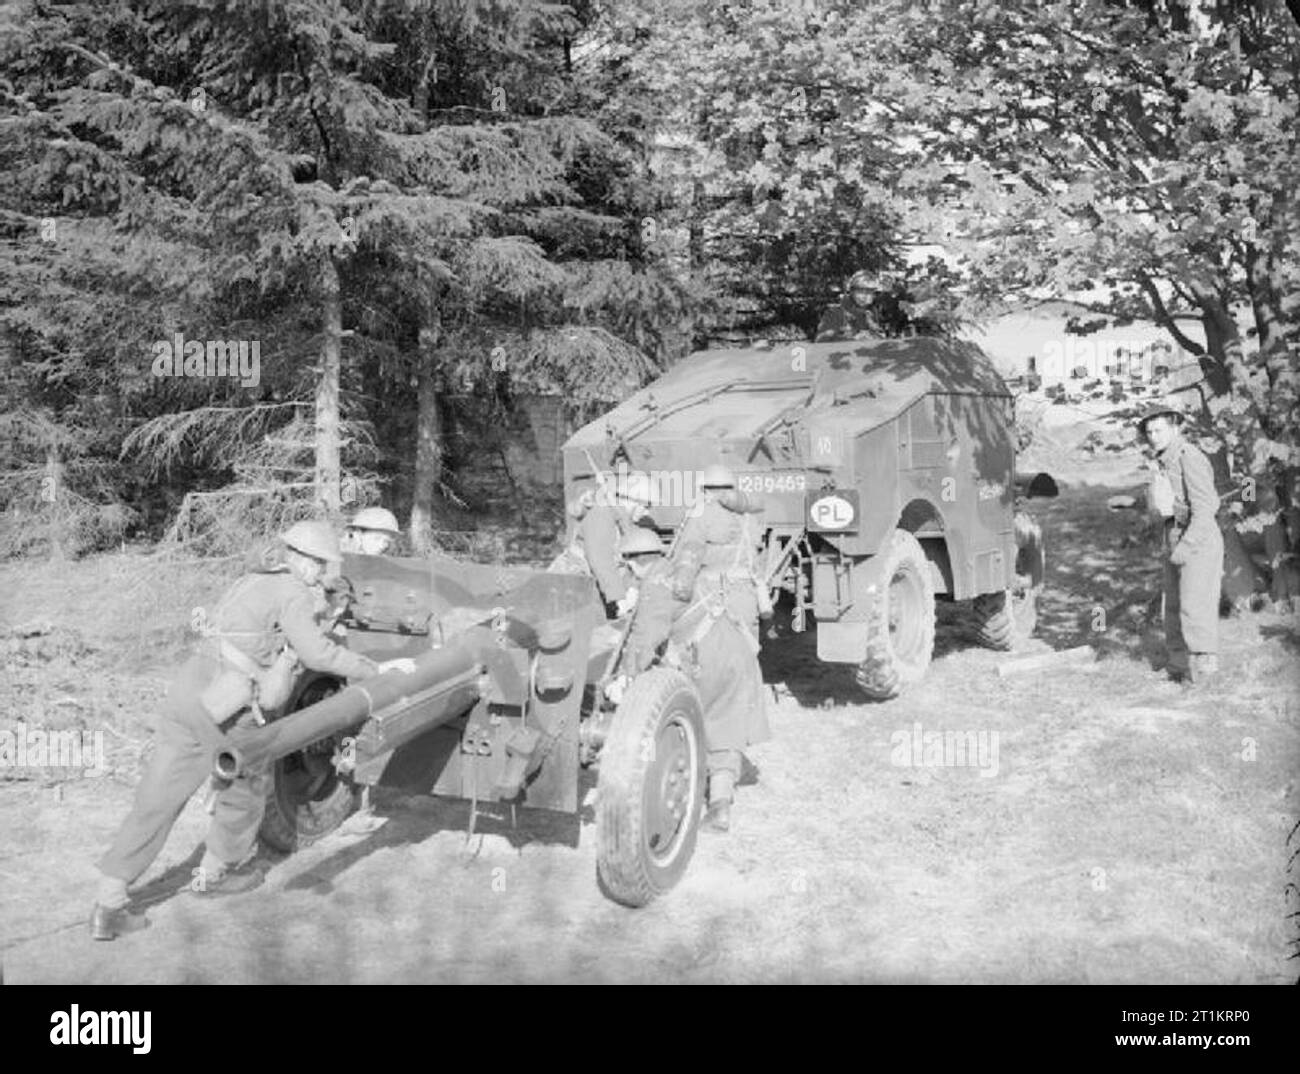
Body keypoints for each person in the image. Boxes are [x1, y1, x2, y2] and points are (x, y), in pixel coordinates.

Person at [89, 520, 415, 940]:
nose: (321, 573)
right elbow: (317, 653)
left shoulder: (252, 579)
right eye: (319, 565)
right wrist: (373, 669)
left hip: (189, 691)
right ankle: (218, 872)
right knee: (245, 785)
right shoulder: (293, 592)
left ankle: (109, 901)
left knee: (157, 795)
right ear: (302, 560)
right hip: (228, 702)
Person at [667, 464, 772, 833]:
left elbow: (683, 577)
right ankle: (721, 800)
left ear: (705, 489)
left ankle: (684, 777)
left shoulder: (701, 517)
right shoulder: (749, 519)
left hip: (705, 610)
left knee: (695, 694)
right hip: (743, 615)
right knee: (732, 697)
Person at [1138, 403, 1224, 685]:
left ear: (1175, 427)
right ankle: (1178, 667)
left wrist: (1185, 548)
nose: (1153, 435)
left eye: (1159, 429)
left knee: (1194, 606)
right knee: (1172, 605)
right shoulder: (1163, 459)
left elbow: (1207, 506)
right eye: (1149, 431)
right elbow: (1169, 501)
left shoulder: (1189, 456)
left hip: (1197, 539)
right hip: (1173, 536)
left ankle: (1203, 672)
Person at [549, 471, 655, 618]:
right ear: (629, 499)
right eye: (646, 504)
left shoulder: (621, 520)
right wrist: (619, 599)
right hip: (572, 585)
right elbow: (600, 560)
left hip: (592, 584)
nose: (647, 512)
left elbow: (625, 563)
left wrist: (633, 587)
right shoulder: (602, 516)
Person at [815, 270, 883, 342]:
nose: (864, 296)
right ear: (851, 292)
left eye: (869, 292)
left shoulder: (871, 313)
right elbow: (820, 340)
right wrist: (852, 339)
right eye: (860, 291)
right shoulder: (835, 313)